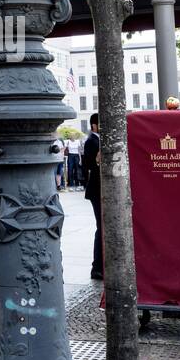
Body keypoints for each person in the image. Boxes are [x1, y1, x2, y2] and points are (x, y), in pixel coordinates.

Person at [82, 113, 102, 280]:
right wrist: (97, 161)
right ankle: (97, 267)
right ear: (94, 125)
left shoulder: (98, 140)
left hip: (100, 188)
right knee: (101, 227)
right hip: (96, 188)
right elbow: (88, 164)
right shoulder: (91, 141)